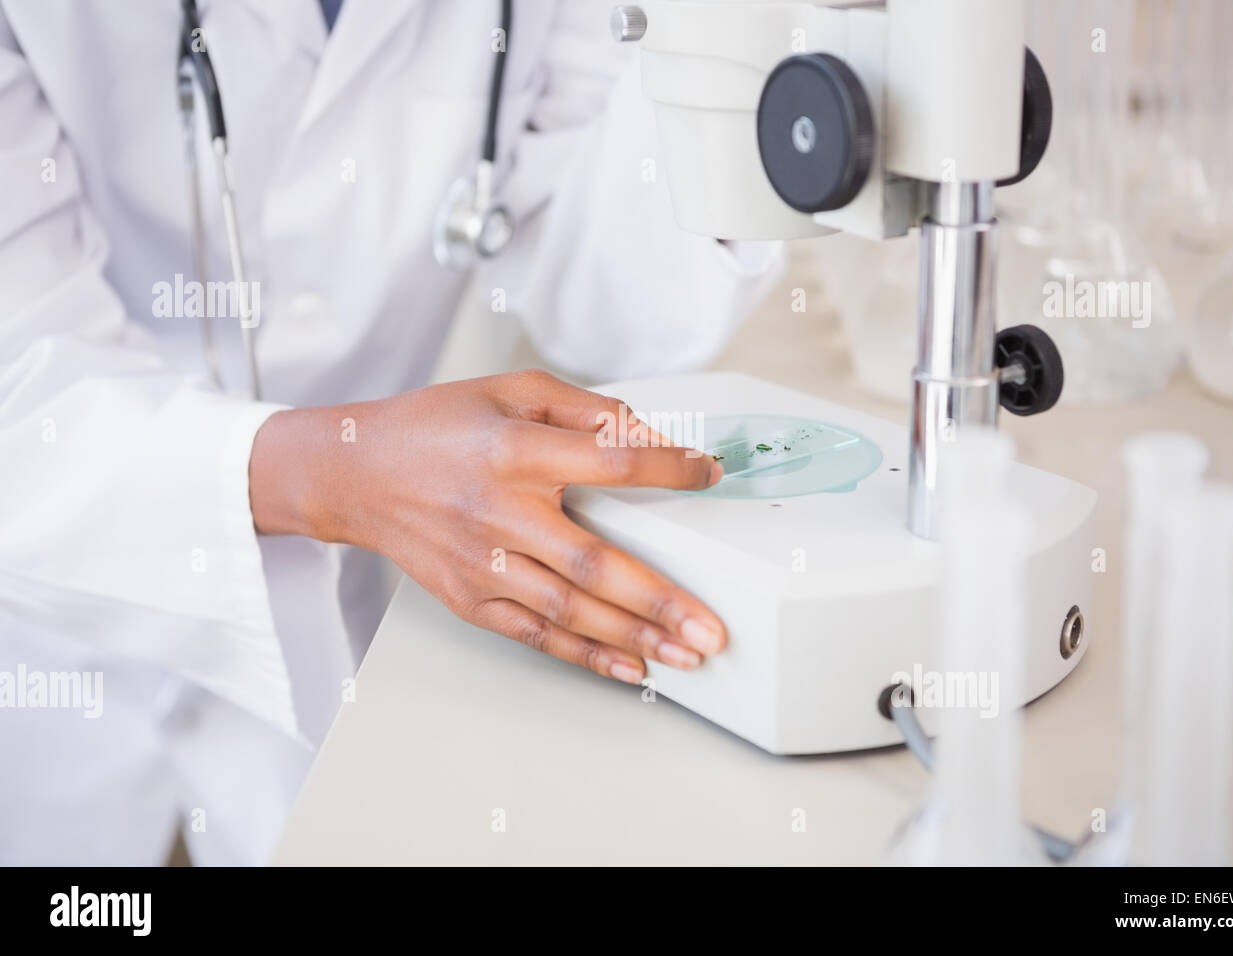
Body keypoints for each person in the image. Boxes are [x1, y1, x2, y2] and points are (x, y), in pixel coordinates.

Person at [0, 0, 781, 865]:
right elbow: (22, 391)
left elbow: (621, 301)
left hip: (337, 628)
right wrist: (342, 476)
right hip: (48, 637)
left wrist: (734, 52)